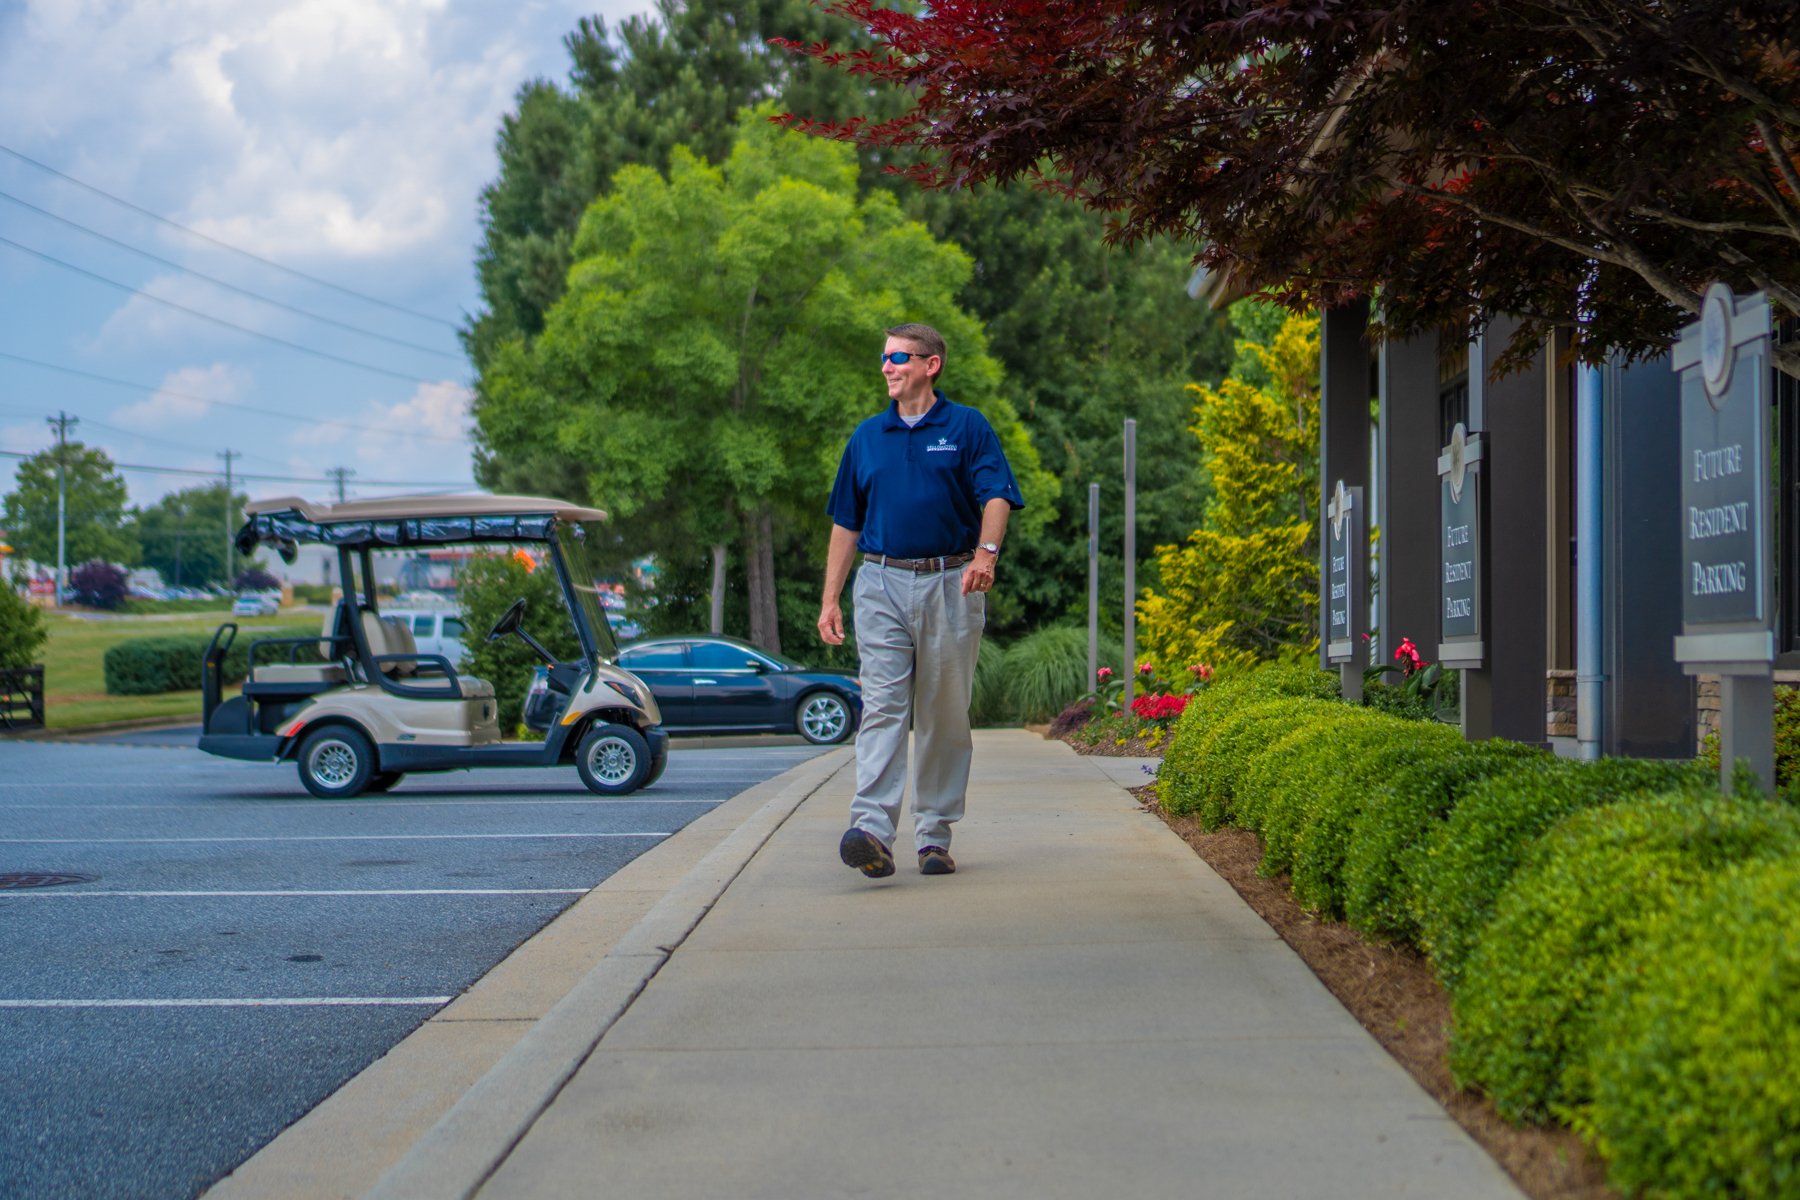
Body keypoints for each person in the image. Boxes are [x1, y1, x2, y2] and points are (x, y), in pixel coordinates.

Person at [819, 323, 1025, 879]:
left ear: (930, 365)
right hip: (881, 580)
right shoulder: (867, 436)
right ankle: (872, 831)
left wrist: (986, 554)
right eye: (884, 358)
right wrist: (830, 598)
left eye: (897, 357)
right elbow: (846, 522)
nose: (886, 367)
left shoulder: (966, 426)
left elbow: (998, 495)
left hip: (951, 580)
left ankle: (933, 835)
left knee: (942, 712)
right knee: (884, 705)